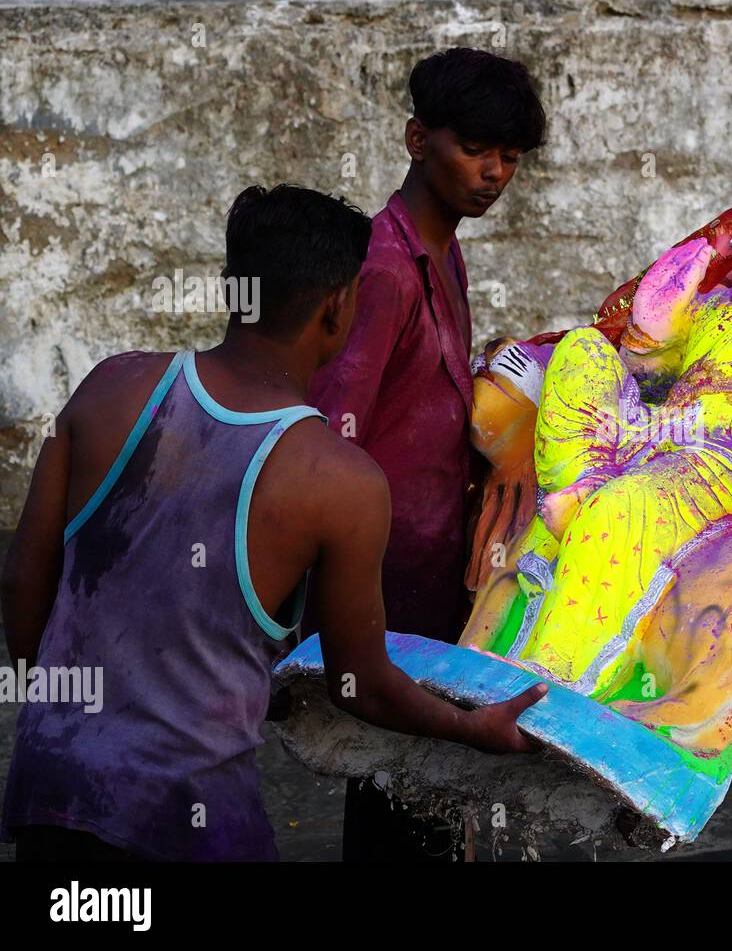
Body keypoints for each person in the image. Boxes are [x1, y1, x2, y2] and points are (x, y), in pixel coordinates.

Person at [0, 184, 545, 863]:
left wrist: (61, 722)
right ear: (338, 308)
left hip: (52, 788)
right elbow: (362, 685)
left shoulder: (112, 386)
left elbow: (24, 579)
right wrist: (475, 727)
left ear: (233, 288)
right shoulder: (340, 481)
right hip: (189, 819)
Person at [304, 48, 545, 860]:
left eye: (509, 158)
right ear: (417, 139)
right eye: (476, 149)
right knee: (394, 803)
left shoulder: (447, 255)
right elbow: (331, 433)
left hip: (435, 581)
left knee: (426, 801)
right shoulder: (383, 268)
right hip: (379, 586)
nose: (493, 173)